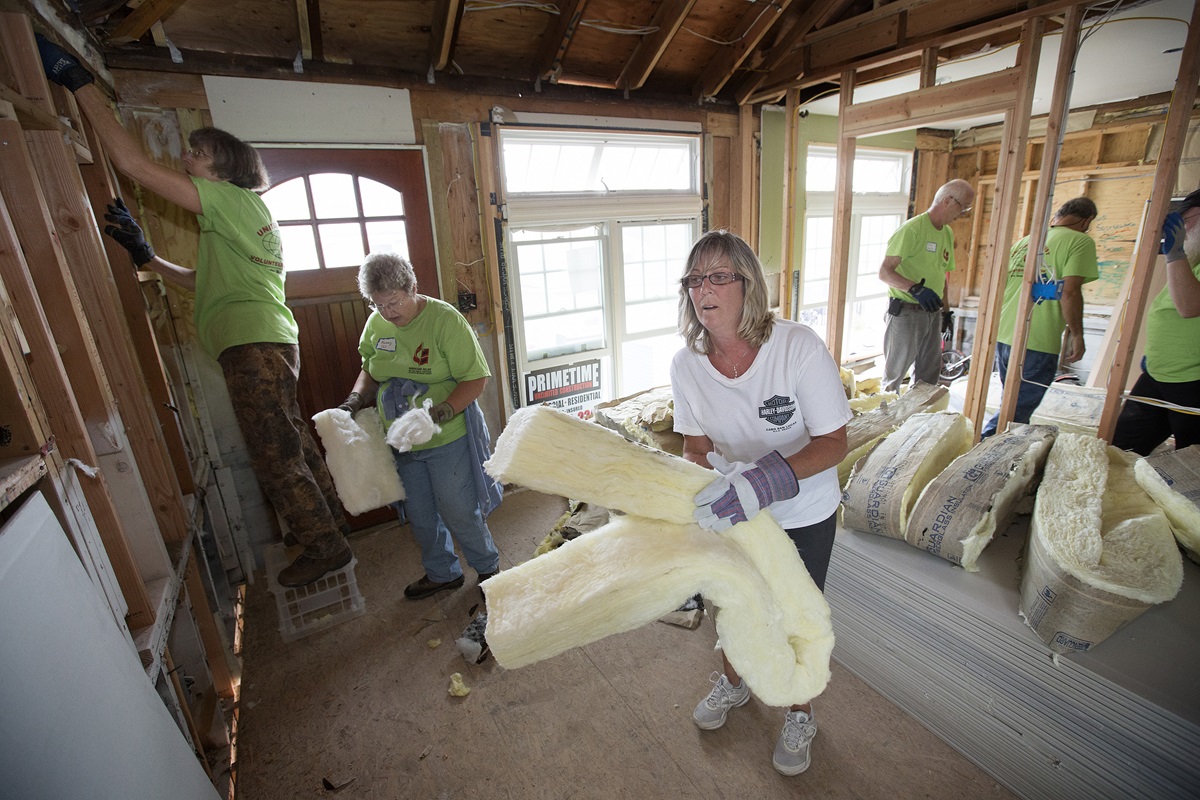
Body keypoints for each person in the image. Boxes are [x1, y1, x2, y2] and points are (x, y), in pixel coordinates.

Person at [37, 35, 353, 587]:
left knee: (273, 453)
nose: (186, 159)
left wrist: (78, 81)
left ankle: (325, 545)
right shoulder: (243, 213)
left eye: (196, 153)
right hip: (266, 338)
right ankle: (330, 526)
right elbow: (202, 283)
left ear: (223, 170)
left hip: (253, 342)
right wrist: (148, 257)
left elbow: (132, 164)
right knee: (291, 442)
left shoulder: (227, 200)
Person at [669, 230, 852, 777]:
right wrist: (709, 484)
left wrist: (764, 482)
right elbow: (695, 446)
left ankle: (799, 710)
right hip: (735, 510)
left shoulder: (796, 348)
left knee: (796, 612)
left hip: (803, 511)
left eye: (718, 277)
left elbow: (834, 441)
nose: (704, 290)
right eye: (694, 279)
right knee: (735, 602)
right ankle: (734, 682)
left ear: (748, 285)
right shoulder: (686, 364)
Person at [339, 253, 501, 600]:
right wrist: (354, 398)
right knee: (420, 513)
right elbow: (370, 368)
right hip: (402, 438)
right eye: (378, 305)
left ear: (412, 288)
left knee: (458, 509)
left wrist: (441, 412)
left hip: (446, 435)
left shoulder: (445, 321)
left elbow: (476, 379)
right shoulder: (377, 324)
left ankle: (489, 571)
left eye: (394, 302)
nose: (387, 313)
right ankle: (443, 573)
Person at [981, 198, 1100, 438]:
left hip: (1005, 334)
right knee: (1017, 409)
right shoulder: (1080, 241)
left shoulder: (1026, 242)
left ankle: (998, 445)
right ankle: (986, 447)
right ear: (1086, 221)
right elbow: (1070, 291)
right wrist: (1077, 334)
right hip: (1036, 338)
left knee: (1011, 402)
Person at [1112, 188, 1200, 455]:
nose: (1183, 229)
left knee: (1191, 460)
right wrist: (1157, 354)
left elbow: (1189, 306)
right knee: (1122, 448)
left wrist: (1175, 253)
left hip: (1192, 382)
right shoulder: (1192, 263)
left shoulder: (1182, 260)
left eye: (1187, 221)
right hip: (1159, 374)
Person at [878, 179, 975, 392]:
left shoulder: (946, 233)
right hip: (906, 312)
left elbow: (942, 276)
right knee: (894, 376)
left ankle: (919, 413)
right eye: (964, 207)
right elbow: (884, 272)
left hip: (932, 313)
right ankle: (884, 412)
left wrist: (946, 312)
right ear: (947, 200)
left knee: (928, 377)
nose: (963, 214)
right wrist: (915, 288)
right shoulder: (912, 230)